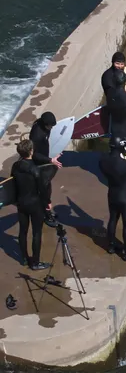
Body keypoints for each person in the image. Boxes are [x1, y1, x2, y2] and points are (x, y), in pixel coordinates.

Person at [98, 136, 126, 262]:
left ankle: (111, 246)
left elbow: (103, 171)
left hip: (112, 194)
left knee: (113, 219)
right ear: (122, 147)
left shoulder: (103, 161)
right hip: (125, 198)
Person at [10, 140, 50, 270]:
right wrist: (48, 203)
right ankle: (36, 262)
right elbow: (42, 190)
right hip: (35, 204)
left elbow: (11, 184)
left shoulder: (15, 166)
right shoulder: (35, 169)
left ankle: (24, 258)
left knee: (23, 231)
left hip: (21, 203)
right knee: (36, 233)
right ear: (31, 151)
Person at [28, 111, 61, 227]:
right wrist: (50, 160)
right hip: (39, 164)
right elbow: (34, 154)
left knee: (47, 187)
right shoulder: (36, 134)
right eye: (50, 126)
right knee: (43, 189)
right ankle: (46, 215)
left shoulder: (46, 128)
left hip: (45, 161)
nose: (51, 128)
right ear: (44, 124)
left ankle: (47, 210)